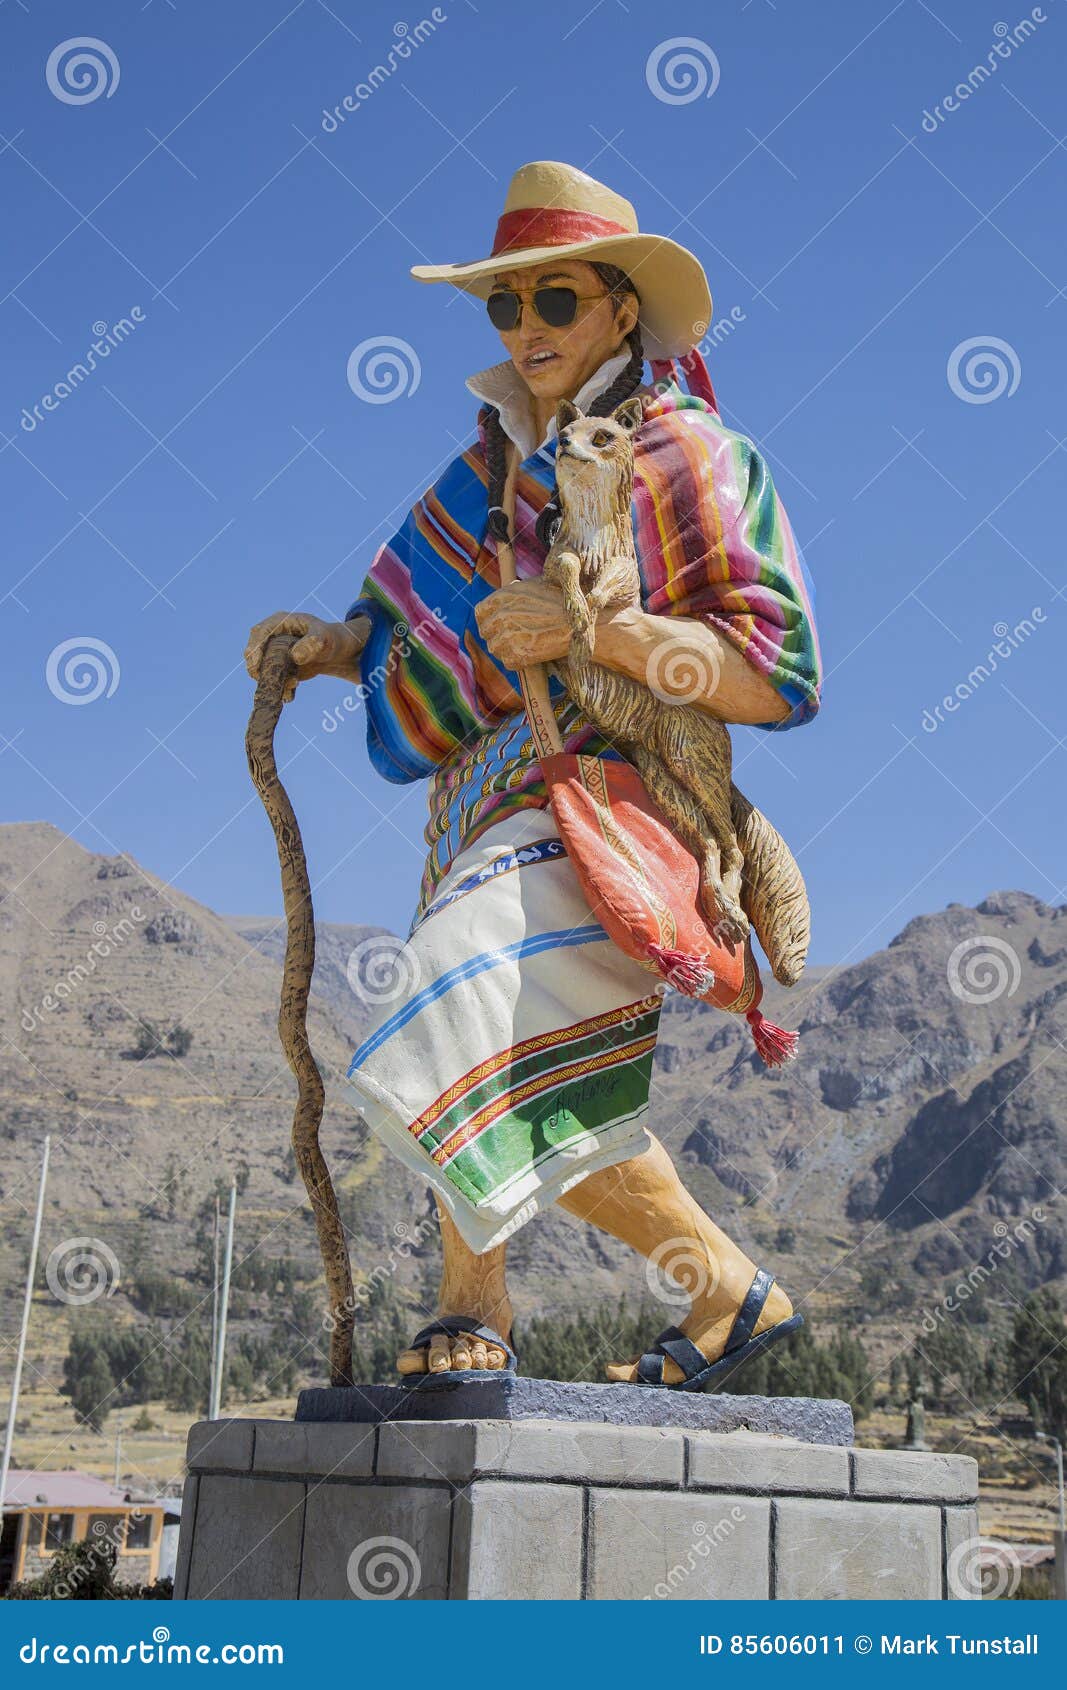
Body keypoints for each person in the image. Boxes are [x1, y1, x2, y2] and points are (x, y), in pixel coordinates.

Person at [245, 161, 822, 1390]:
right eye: (503, 308)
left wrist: (593, 635)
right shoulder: (485, 472)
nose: (524, 331)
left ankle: (489, 1299)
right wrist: (338, 645)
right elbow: (407, 612)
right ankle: (714, 1293)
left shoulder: (688, 455)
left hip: (612, 799)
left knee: (454, 1005)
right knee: (499, 1039)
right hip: (479, 809)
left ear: (620, 308)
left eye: (552, 301)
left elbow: (775, 669)